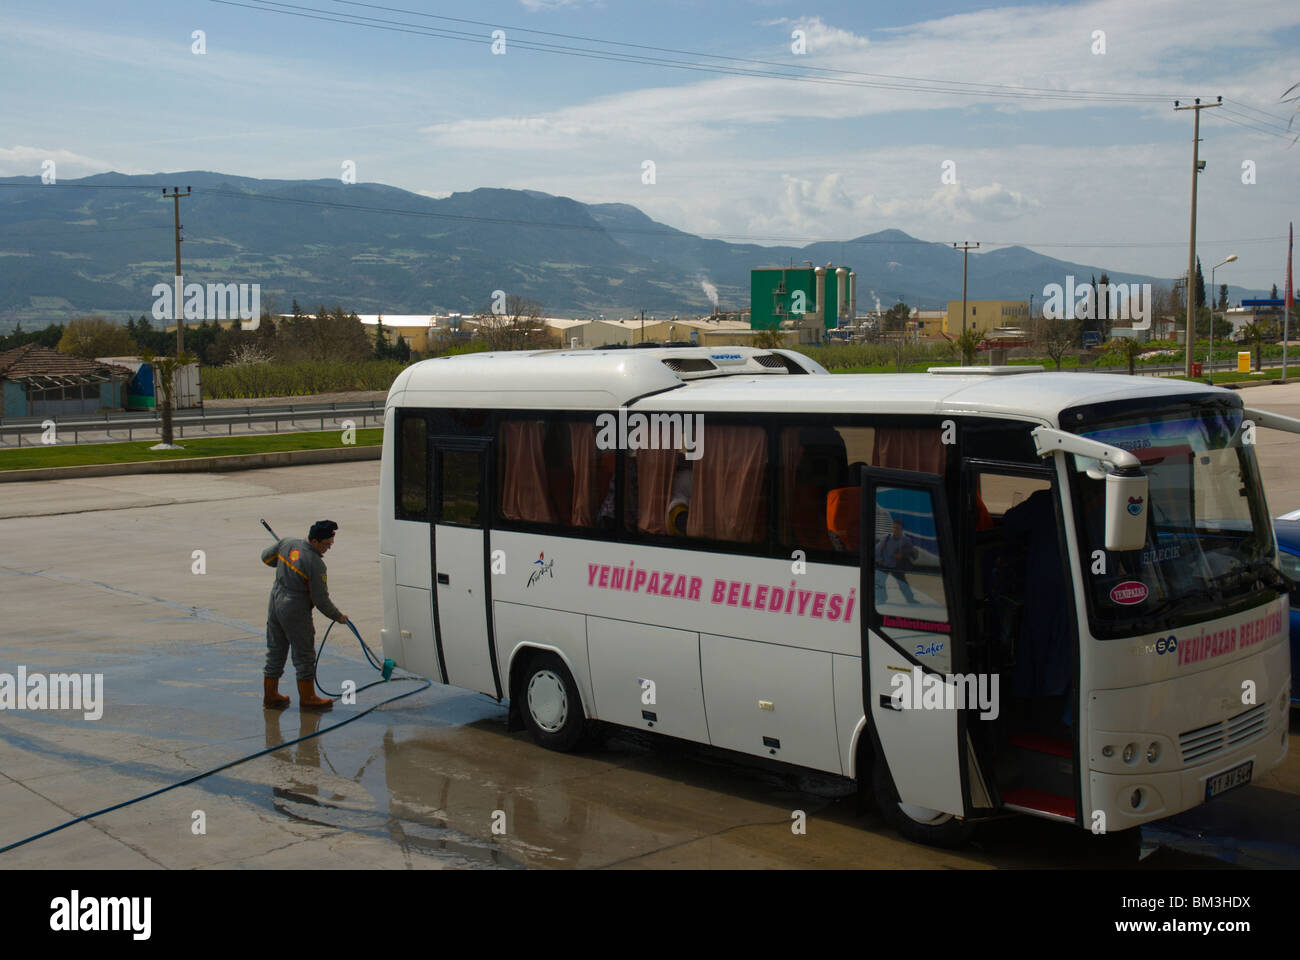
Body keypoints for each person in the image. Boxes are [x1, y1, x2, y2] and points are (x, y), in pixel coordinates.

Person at [260, 520, 348, 712]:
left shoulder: (287, 543)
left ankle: (270, 696)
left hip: (275, 602)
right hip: (295, 608)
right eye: (326, 544)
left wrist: (287, 565)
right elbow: (320, 600)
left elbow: (266, 558)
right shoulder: (316, 564)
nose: (328, 549)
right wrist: (338, 616)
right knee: (304, 653)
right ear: (314, 541)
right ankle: (308, 698)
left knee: (275, 649)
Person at [875, 516, 919, 604]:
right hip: (884, 564)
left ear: (902, 529)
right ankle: (881, 599)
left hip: (896, 565)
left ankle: (910, 599)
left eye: (898, 528)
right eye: (894, 527)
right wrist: (879, 559)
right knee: (880, 582)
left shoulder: (905, 540)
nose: (895, 530)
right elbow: (877, 549)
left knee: (903, 583)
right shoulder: (886, 538)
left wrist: (902, 554)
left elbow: (912, 551)